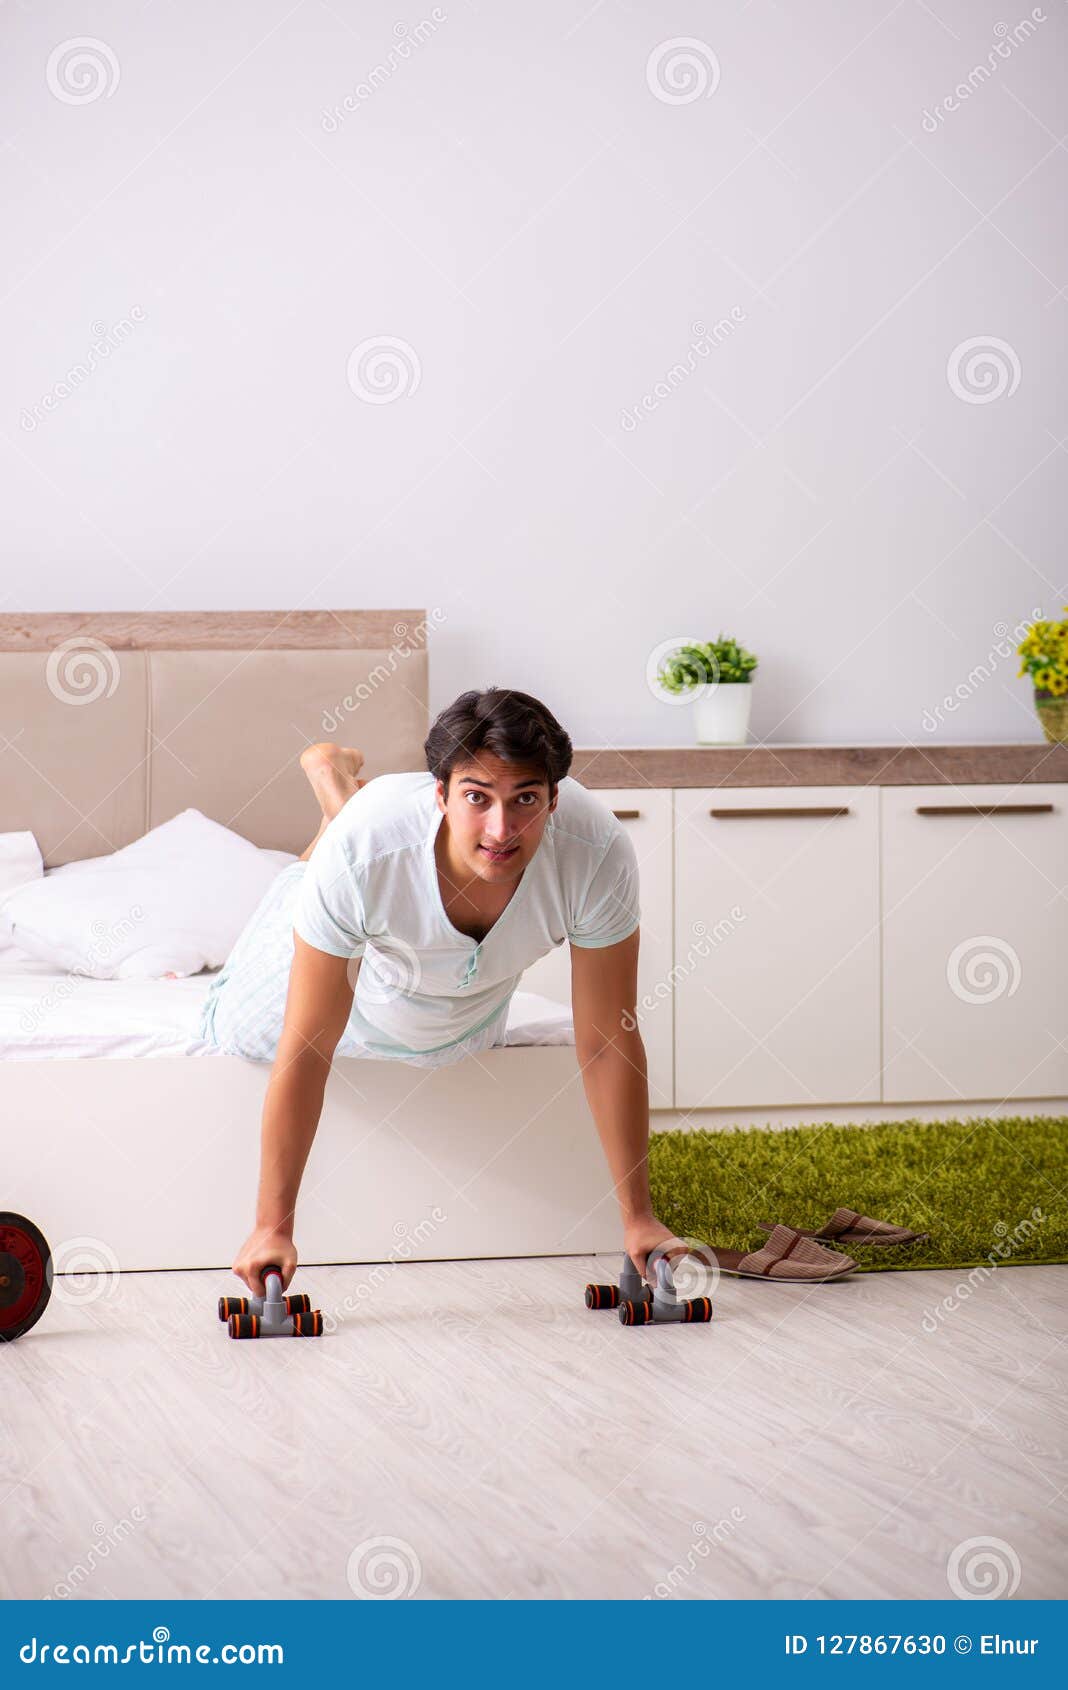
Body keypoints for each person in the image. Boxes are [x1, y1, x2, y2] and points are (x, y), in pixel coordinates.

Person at [199, 687, 686, 1298]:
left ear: (556, 798)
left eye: (526, 800)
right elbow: (306, 1045)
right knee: (239, 1015)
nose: (501, 829)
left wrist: (638, 1218)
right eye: (476, 798)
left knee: (430, 1017)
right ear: (440, 794)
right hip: (352, 947)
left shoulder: (596, 853)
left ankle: (339, 804)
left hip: (462, 1013)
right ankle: (337, 803)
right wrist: (272, 1227)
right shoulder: (365, 854)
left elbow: (608, 1038)